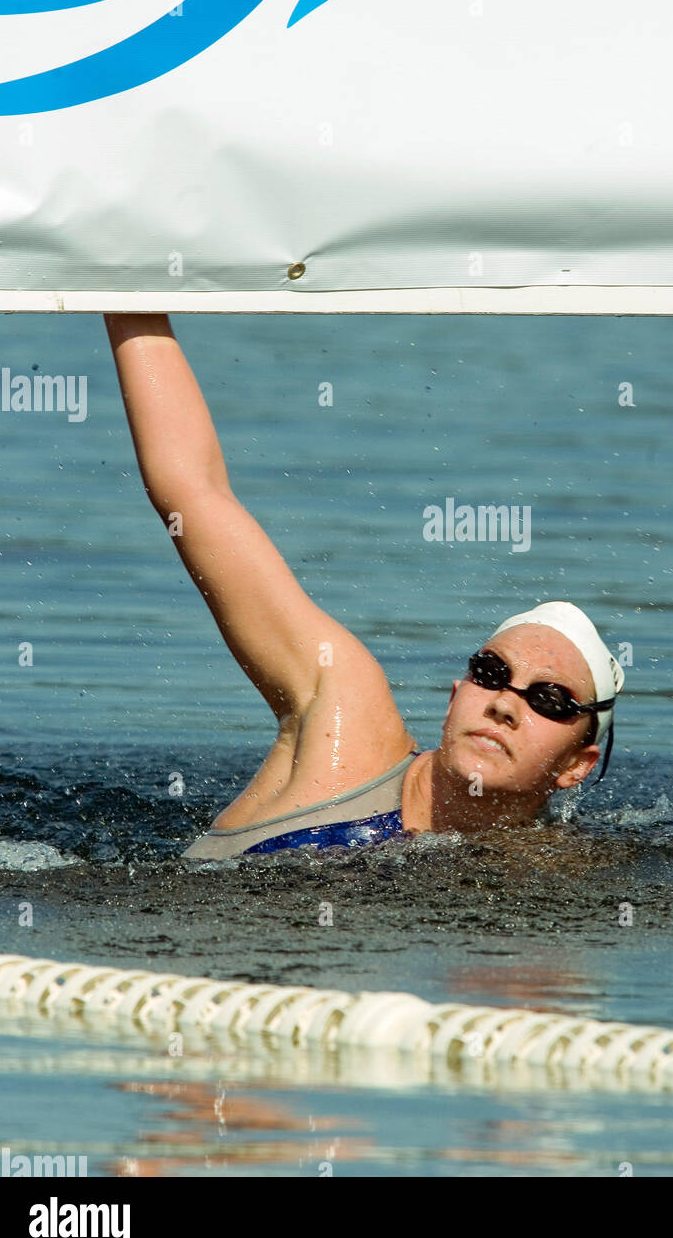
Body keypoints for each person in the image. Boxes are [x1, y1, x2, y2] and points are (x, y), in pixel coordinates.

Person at [105, 313, 625, 859]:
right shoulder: (344, 722)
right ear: (455, 697)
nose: (502, 703)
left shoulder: (556, 875)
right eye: (490, 673)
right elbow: (194, 492)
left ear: (576, 765)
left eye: (549, 699)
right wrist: (126, 293)